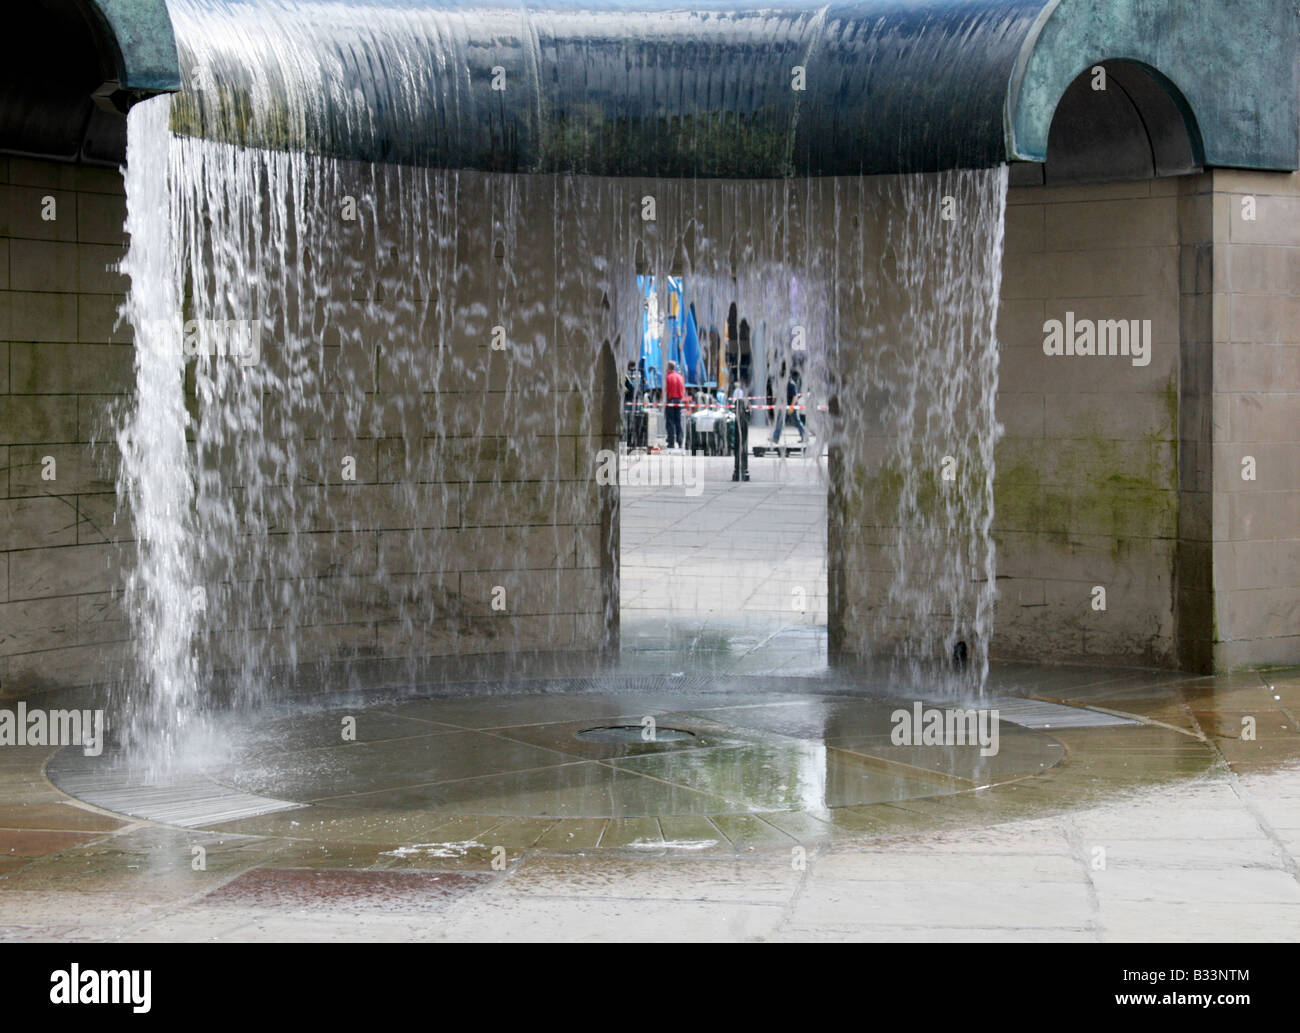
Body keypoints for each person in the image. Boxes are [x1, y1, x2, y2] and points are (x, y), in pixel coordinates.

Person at [772, 367, 806, 444]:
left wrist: (791, 407)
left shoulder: (791, 384)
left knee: (796, 421)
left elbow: (795, 397)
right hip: (786, 406)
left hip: (792, 406)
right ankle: (775, 438)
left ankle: (804, 437)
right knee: (780, 421)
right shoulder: (785, 384)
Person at [663, 360, 686, 450]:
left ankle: (671, 443)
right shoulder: (680, 377)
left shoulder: (668, 377)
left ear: (668, 368)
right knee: (678, 422)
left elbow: (666, 390)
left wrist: (663, 400)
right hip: (679, 401)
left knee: (670, 422)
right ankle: (680, 442)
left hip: (670, 401)